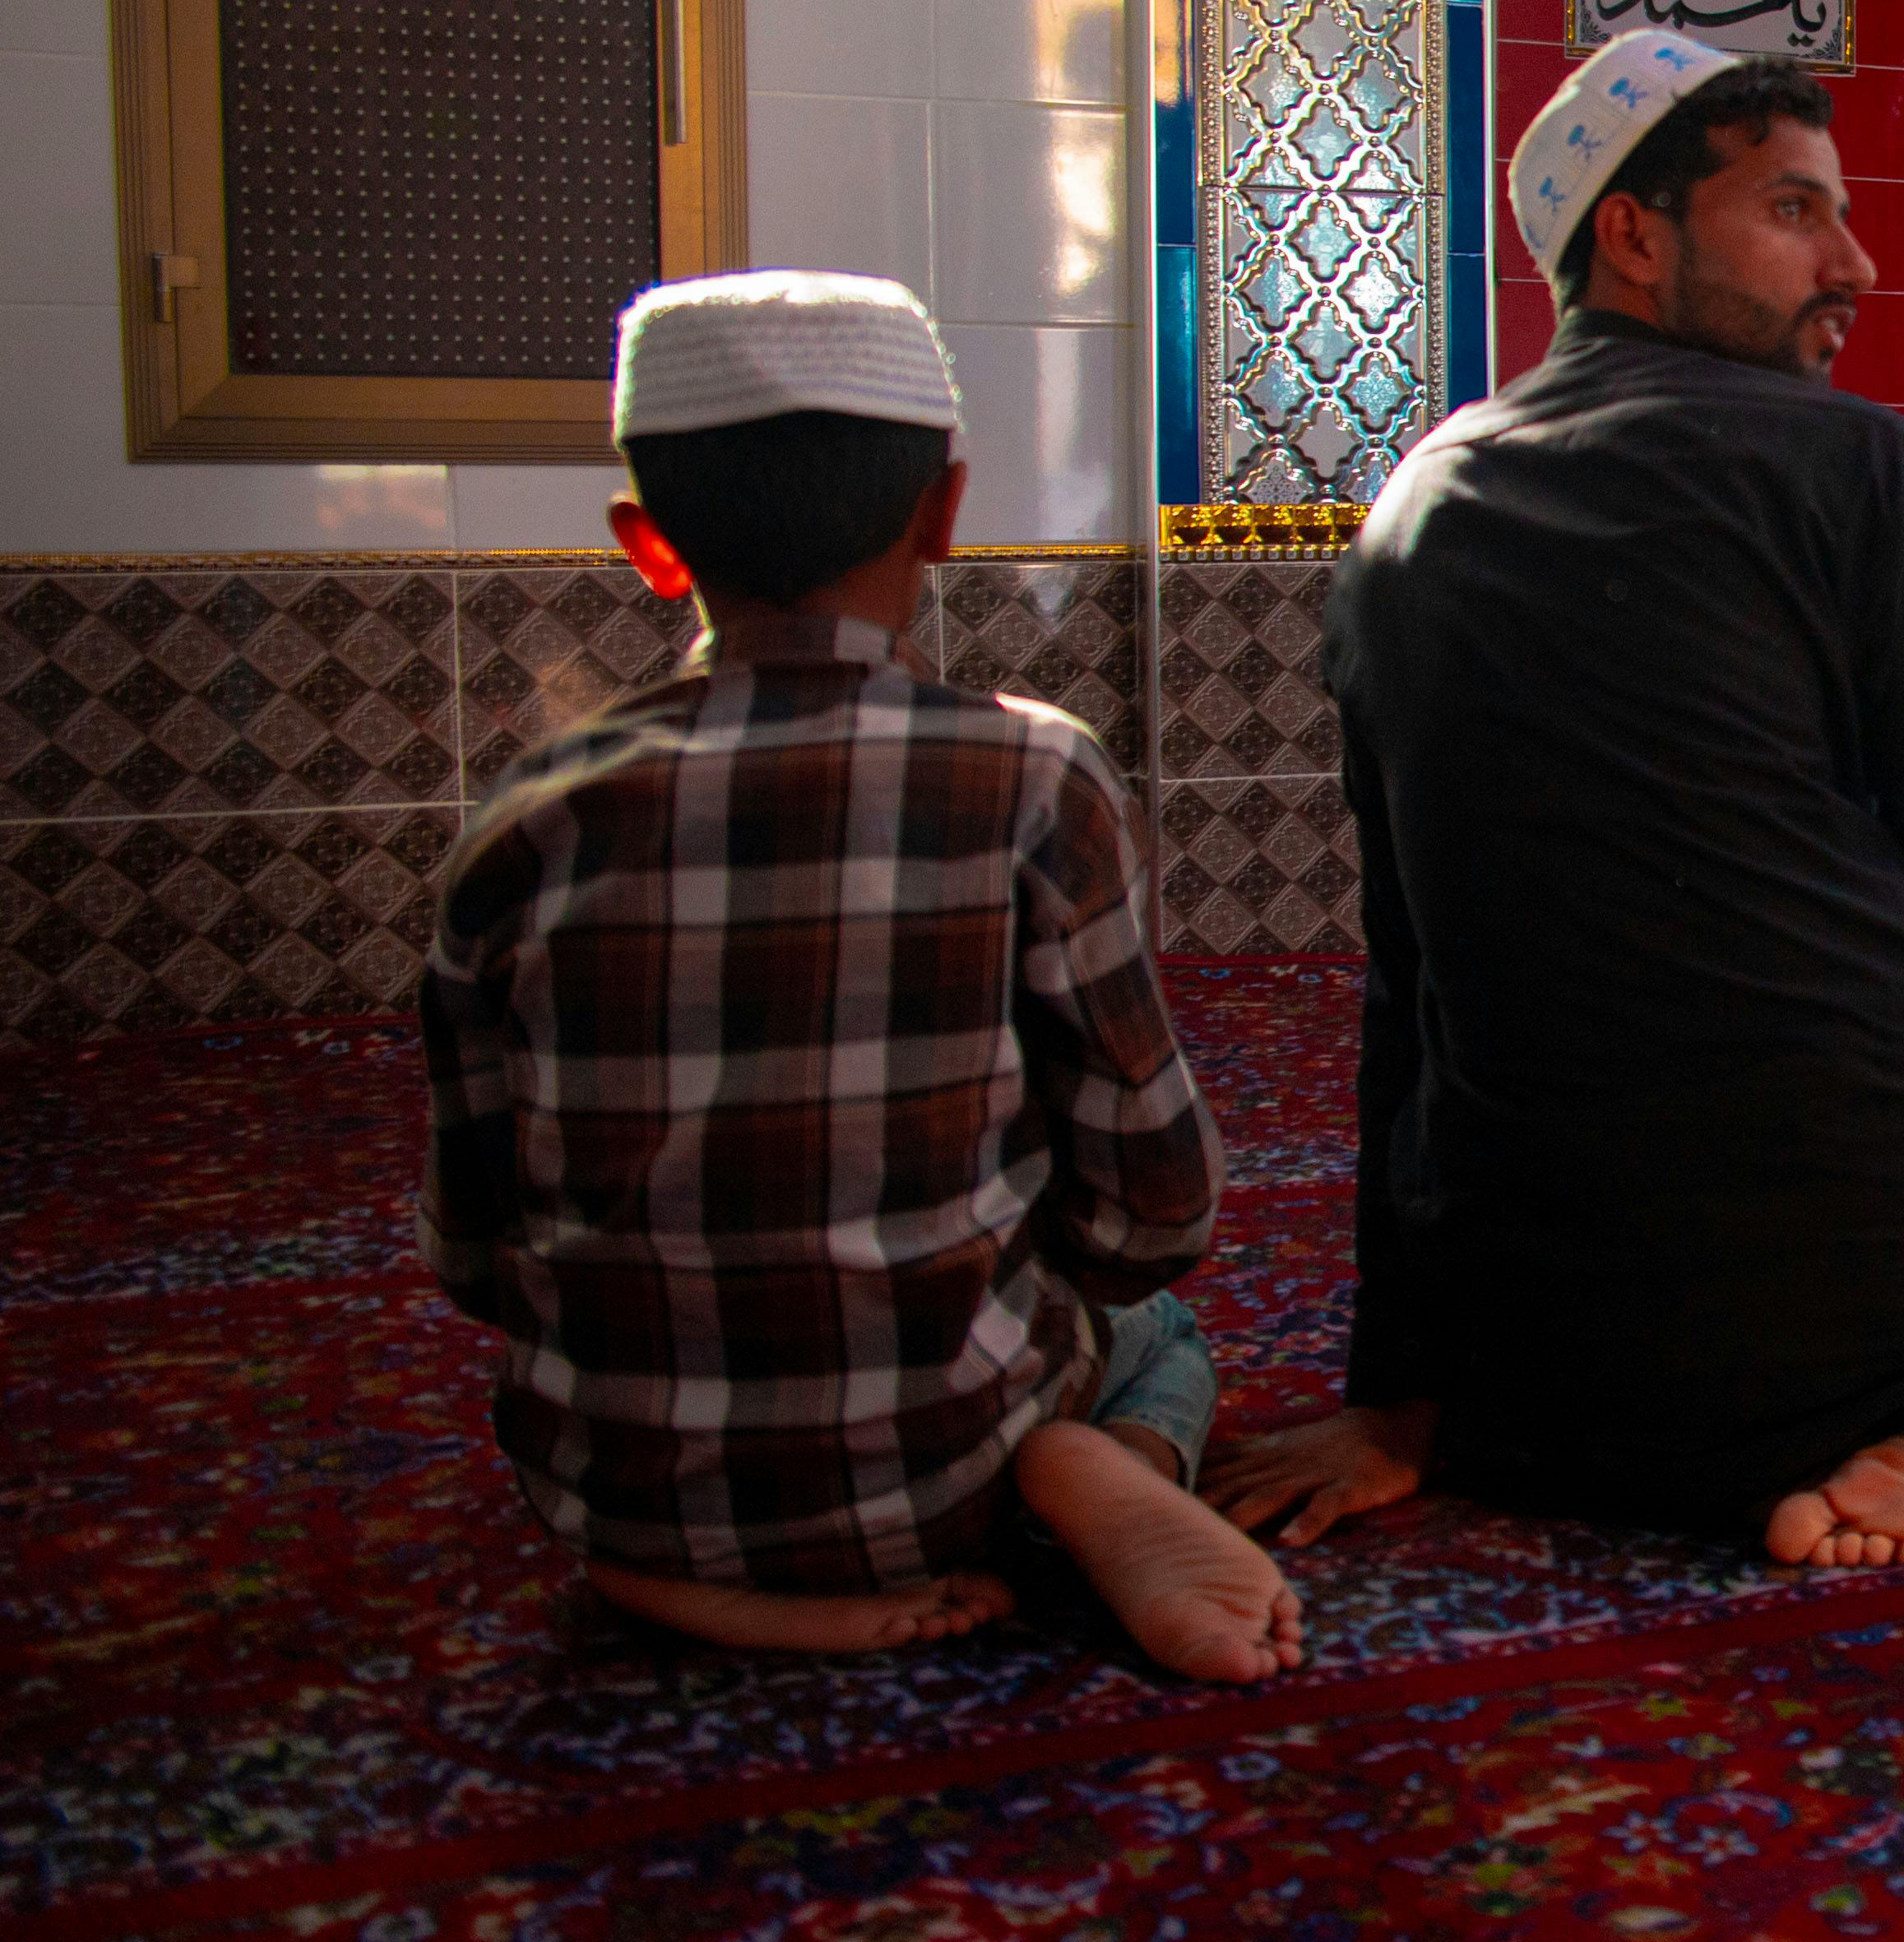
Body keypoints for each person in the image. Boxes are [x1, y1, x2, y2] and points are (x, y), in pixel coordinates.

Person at [1211, 33, 1904, 1572]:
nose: (1856, 263)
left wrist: (1407, 1391)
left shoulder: (1410, 500)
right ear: (1634, 233)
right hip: (1877, 1292)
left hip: (1551, 1356)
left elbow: (1411, 976)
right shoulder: (1860, 467)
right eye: (1796, 213)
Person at [422, 274, 1290, 1680]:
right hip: (952, 1453)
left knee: (621, 1432)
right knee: (1166, 1330)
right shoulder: (1032, 771)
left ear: (646, 548)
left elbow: (475, 1246)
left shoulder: (527, 815)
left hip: (619, 1475)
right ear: (943, 515)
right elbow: (1156, 1209)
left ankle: (659, 1577)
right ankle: (1098, 1467)